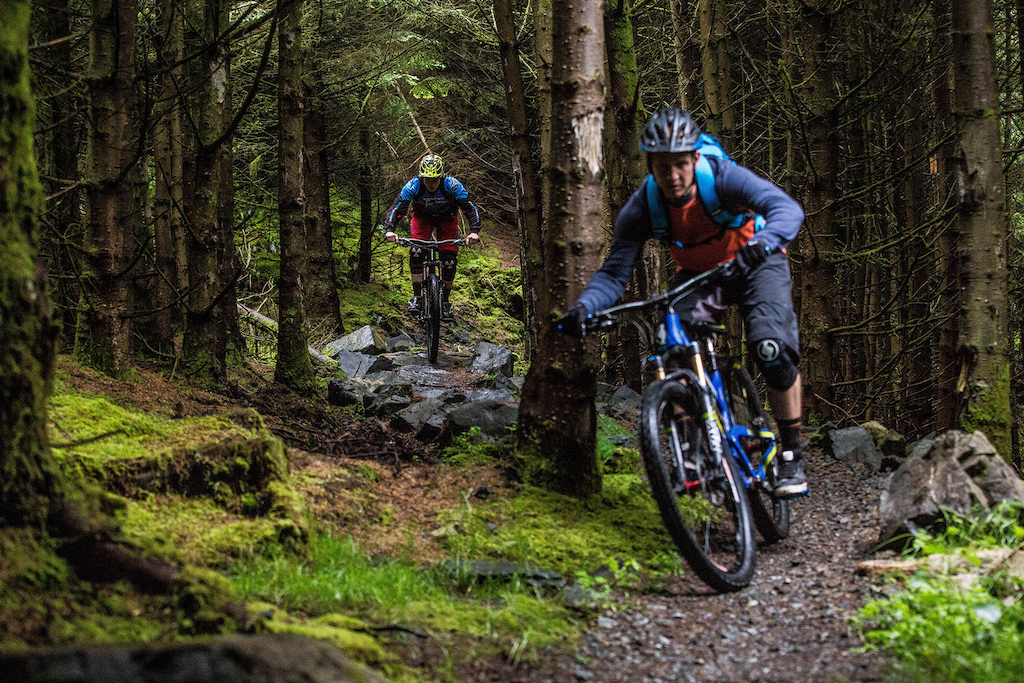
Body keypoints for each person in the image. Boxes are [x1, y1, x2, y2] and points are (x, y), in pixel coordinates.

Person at [565, 108, 808, 499]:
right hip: (699, 277)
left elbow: (787, 210)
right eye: (663, 167)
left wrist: (760, 245)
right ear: (650, 166)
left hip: (756, 263)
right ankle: (693, 451)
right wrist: (585, 307)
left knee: (770, 347)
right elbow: (614, 273)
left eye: (681, 164)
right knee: (672, 344)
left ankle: (793, 454)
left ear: (696, 159)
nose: (673, 176)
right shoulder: (642, 206)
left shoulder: (724, 179)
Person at [384, 153, 481, 318]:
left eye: (435, 179)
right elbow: (397, 207)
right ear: (422, 177)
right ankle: (417, 297)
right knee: (416, 250)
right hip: (422, 218)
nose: (431, 183)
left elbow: (470, 208)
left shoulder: (452, 185)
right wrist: (389, 230)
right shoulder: (413, 185)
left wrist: (474, 232)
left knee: (449, 259)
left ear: (441, 176)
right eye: (428, 179)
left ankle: (445, 302)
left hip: (447, 218)